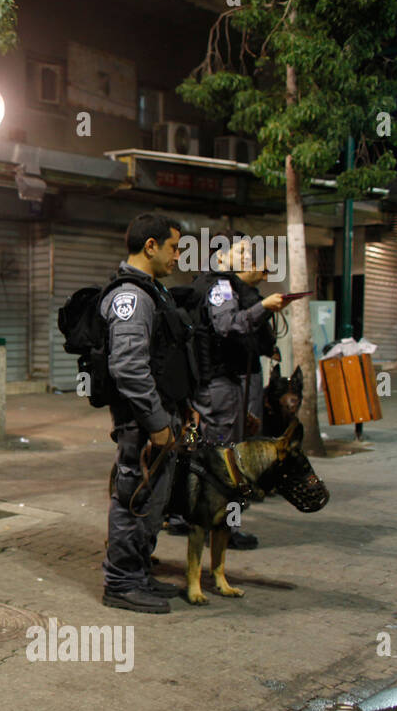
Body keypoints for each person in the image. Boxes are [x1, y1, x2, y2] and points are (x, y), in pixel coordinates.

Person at [102, 213, 197, 614]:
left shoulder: (153, 291)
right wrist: (157, 422)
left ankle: (138, 574)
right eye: (174, 247)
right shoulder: (131, 297)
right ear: (151, 246)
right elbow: (127, 367)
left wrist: (183, 410)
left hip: (163, 413)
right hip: (142, 422)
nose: (178, 256)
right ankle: (121, 583)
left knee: (153, 500)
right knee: (133, 498)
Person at [173, 233, 287, 549]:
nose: (248, 255)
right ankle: (223, 530)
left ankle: (197, 519)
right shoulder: (221, 287)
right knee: (226, 460)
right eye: (241, 251)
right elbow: (228, 326)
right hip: (220, 385)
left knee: (208, 455)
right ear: (221, 259)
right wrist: (263, 306)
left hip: (213, 385)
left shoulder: (213, 284)